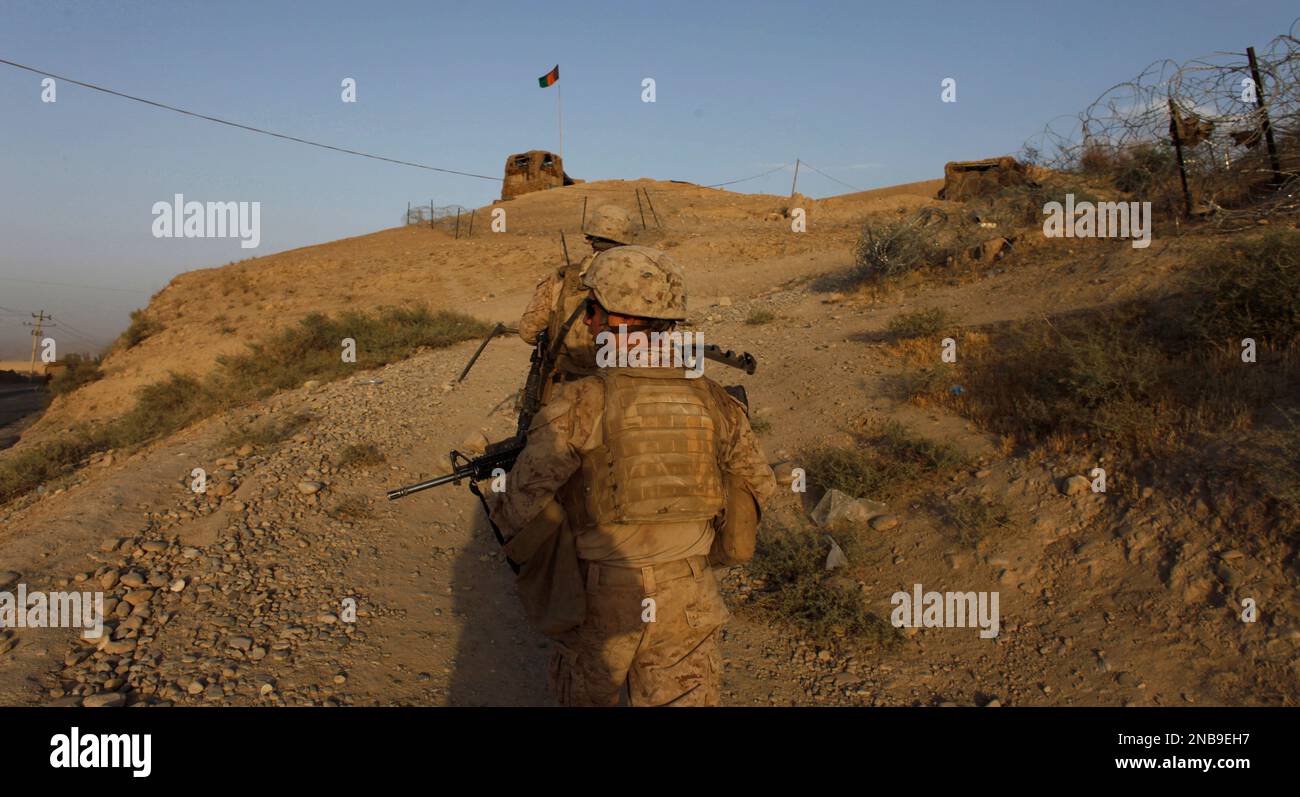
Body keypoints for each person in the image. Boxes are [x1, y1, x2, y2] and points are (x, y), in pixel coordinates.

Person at [490, 245, 776, 706]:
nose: (587, 321)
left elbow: (517, 512)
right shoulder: (717, 399)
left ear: (617, 320)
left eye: (593, 308)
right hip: (691, 595)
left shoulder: (577, 403)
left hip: (602, 601)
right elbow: (760, 488)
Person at [517, 204, 635, 394]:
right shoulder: (643, 282)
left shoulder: (565, 277)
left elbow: (529, 331)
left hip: (567, 388)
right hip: (621, 391)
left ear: (591, 238)